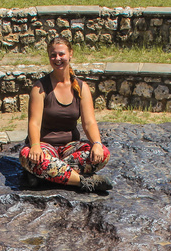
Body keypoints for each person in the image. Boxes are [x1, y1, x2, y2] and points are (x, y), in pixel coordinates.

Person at [20, 36, 112, 192]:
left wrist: (97, 143)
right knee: (27, 155)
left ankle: (48, 175)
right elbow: (34, 123)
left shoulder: (81, 87)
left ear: (70, 54)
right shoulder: (40, 88)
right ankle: (82, 182)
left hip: (70, 149)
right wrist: (35, 146)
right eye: (53, 55)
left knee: (103, 154)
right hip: (45, 148)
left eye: (61, 54)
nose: (57, 59)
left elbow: (89, 122)